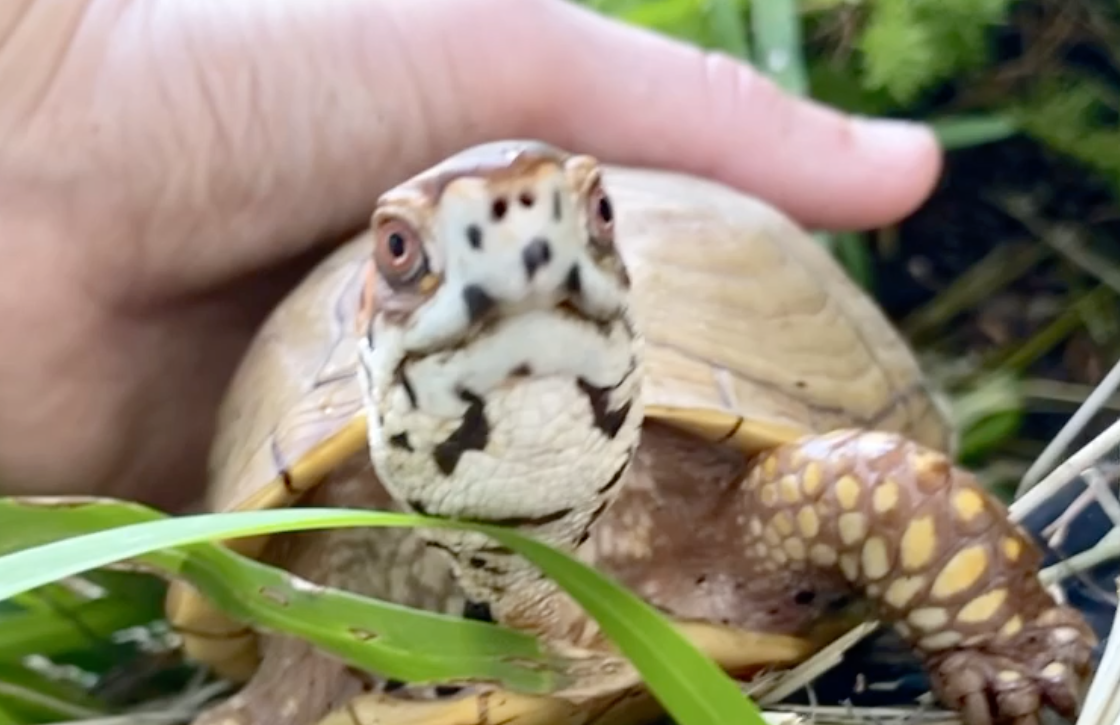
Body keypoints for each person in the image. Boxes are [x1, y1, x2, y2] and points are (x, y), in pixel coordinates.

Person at [0, 0, 942, 512]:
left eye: (588, 219)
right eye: (405, 252)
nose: (516, 266)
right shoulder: (334, 578)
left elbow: (892, 490)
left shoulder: (769, 503)